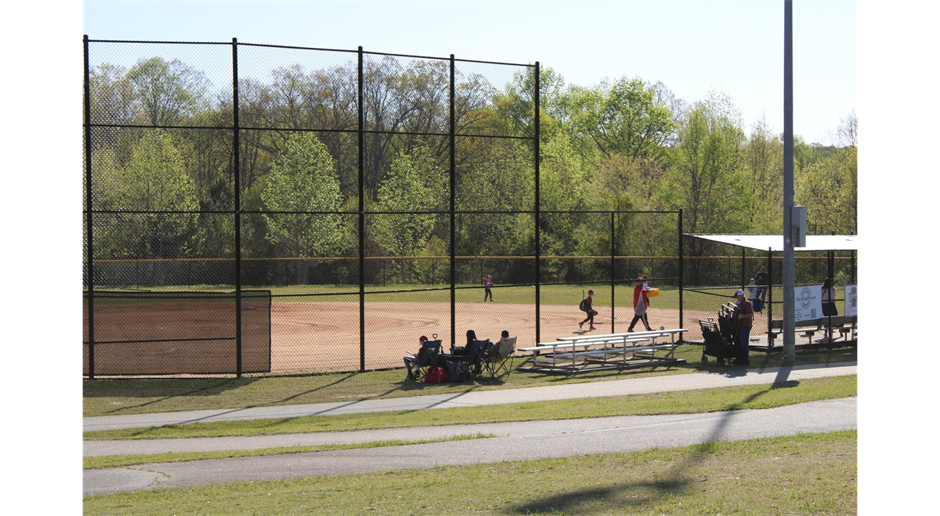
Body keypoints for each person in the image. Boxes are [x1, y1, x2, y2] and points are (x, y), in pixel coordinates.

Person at [732, 289, 754, 366]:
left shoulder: (746, 303)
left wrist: (742, 316)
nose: (736, 298)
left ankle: (745, 360)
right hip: (738, 326)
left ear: (741, 296)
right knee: (738, 342)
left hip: (744, 326)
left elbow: (751, 314)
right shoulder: (739, 303)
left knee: (744, 343)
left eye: (737, 296)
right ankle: (739, 359)